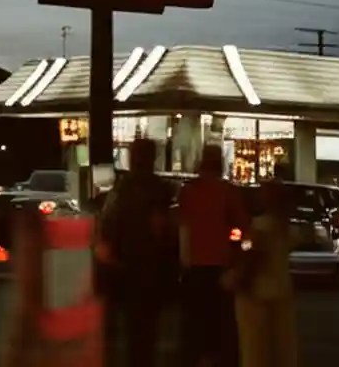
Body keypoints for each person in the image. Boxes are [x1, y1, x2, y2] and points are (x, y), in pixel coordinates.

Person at [98, 138, 178, 367]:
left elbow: (108, 223)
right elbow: (165, 228)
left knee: (130, 328)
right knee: (147, 330)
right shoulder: (161, 189)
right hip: (152, 266)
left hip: (126, 266)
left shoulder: (122, 188)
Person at [177, 144, 249, 367]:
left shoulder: (188, 192)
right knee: (223, 329)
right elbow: (242, 231)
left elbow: (182, 229)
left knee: (194, 328)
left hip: (194, 267)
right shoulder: (228, 192)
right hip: (221, 267)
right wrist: (239, 259)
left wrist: (183, 262)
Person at [232, 179, 298, 367]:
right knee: (282, 350)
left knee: (255, 351)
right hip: (281, 292)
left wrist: (243, 246)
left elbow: (250, 251)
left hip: (256, 294)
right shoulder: (286, 227)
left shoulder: (260, 226)